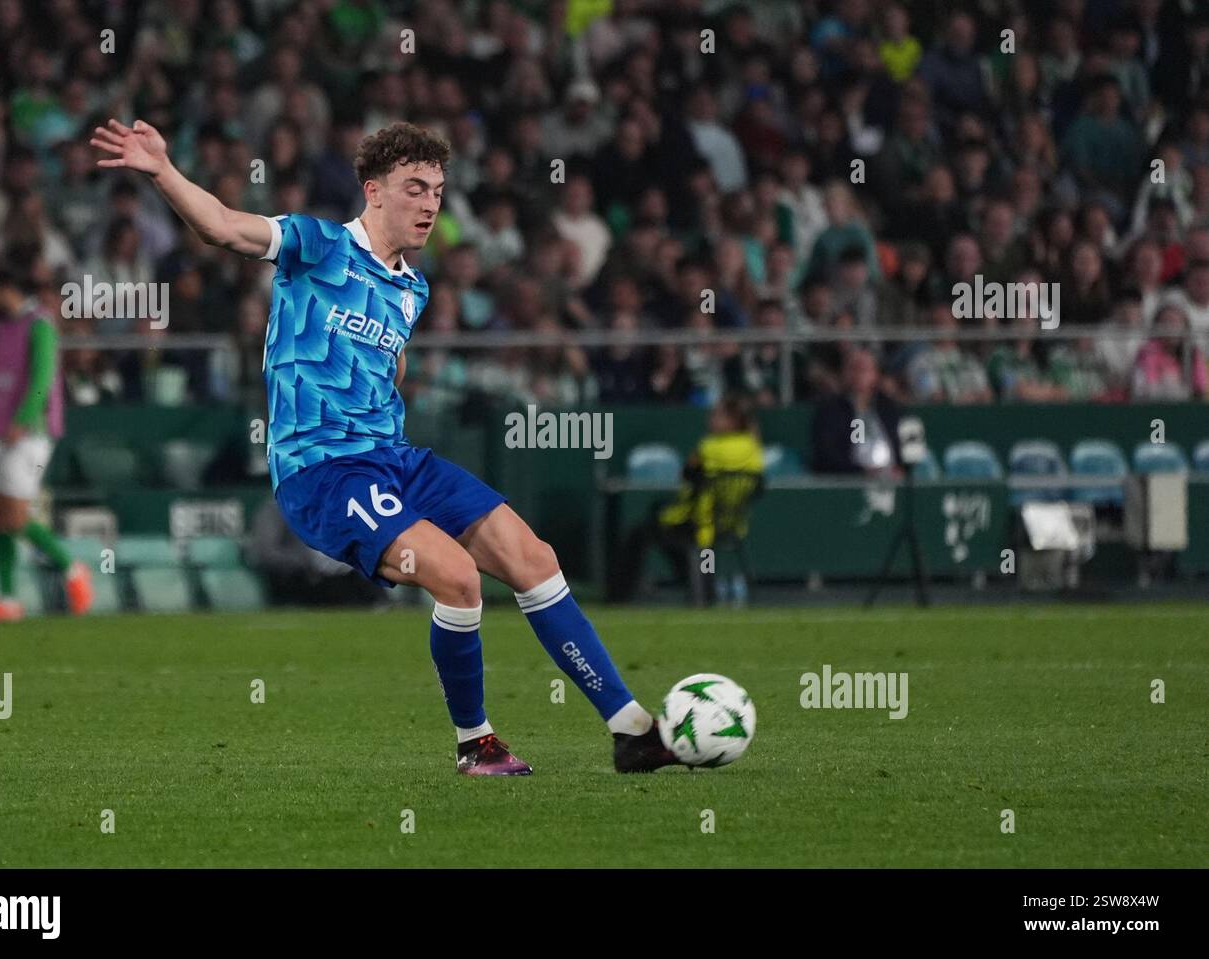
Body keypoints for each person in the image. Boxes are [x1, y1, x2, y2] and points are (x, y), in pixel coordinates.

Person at [91, 118, 678, 775]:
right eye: (414, 188)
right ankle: (475, 743)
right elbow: (224, 225)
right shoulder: (316, 246)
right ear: (374, 191)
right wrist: (162, 172)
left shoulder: (412, 288)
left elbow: (389, 364)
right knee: (456, 576)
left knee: (533, 556)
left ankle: (631, 729)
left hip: (394, 457)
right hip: (323, 470)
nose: (429, 203)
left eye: (437, 191)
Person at [0, 267, 93, 621]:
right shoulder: (0, 329)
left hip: (28, 432)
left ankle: (72, 568)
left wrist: (24, 418)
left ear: (6, 288)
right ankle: (7, 599)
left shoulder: (41, 325)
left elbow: (43, 376)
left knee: (14, 514)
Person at [612, 395, 764, 605]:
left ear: (732, 420)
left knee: (644, 533)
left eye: (716, 416)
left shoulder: (709, 447)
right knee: (699, 548)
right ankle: (699, 585)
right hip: (733, 524)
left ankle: (619, 597)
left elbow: (687, 473)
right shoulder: (753, 448)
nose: (710, 419)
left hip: (699, 524)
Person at [811, 348, 902, 476]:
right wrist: (862, 472)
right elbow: (826, 455)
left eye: (864, 369)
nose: (859, 374)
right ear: (844, 373)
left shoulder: (888, 407)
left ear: (875, 374)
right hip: (851, 481)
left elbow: (904, 445)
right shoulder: (831, 411)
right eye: (854, 368)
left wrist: (901, 468)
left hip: (891, 476)